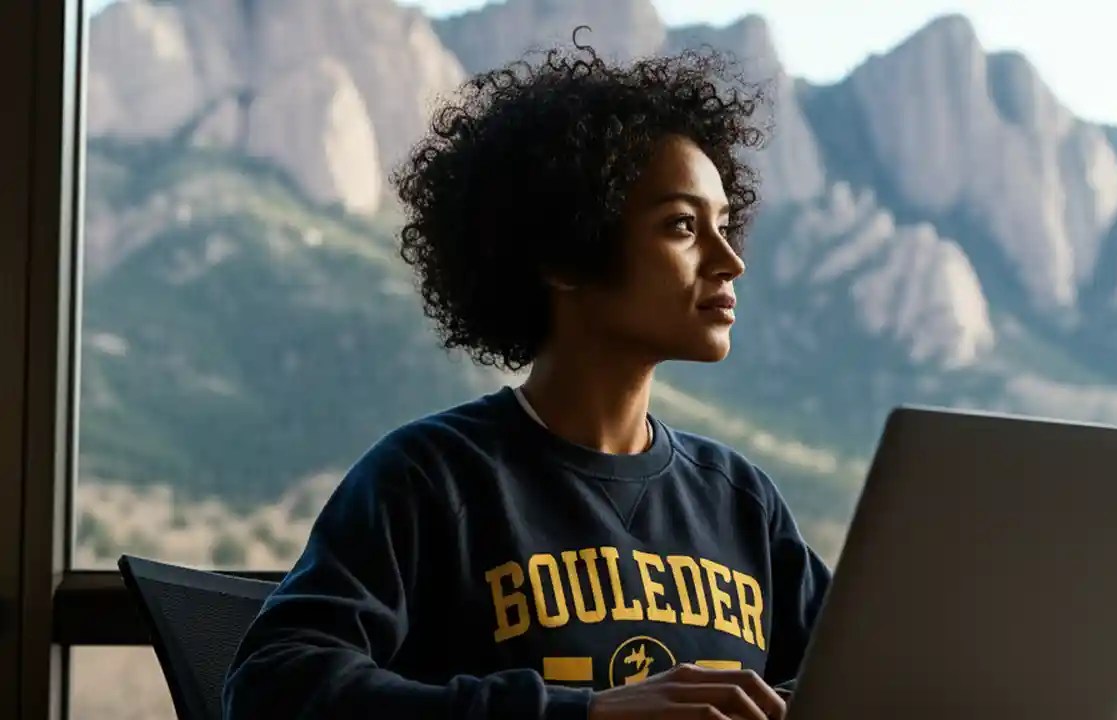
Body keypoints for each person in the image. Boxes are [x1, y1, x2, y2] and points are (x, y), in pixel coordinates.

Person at [222, 31, 832, 720]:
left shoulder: (741, 502)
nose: (730, 261)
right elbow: (274, 686)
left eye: (725, 225)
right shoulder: (432, 480)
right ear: (566, 255)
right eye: (683, 227)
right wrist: (584, 715)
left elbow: (871, 678)